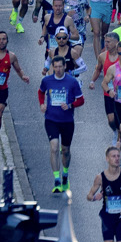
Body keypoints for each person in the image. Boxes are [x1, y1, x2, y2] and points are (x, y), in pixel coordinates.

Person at [39, 51, 84, 194]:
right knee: (54, 147)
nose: (58, 69)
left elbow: (81, 100)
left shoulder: (72, 82)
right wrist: (42, 104)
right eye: (55, 67)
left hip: (67, 121)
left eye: (60, 66)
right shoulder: (47, 81)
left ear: (65, 67)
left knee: (65, 150)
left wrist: (70, 105)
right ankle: (57, 179)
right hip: (51, 119)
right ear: (52, 67)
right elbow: (41, 92)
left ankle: (65, 174)